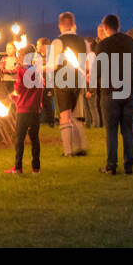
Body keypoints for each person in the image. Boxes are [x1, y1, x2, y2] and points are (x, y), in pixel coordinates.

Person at [95, 14, 133, 175]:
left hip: (110, 91)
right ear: (118, 26)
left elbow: (98, 69)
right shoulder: (130, 41)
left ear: (105, 28)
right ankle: (129, 165)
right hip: (128, 90)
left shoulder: (103, 44)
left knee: (111, 130)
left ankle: (111, 165)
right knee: (127, 128)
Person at [49, 12, 88, 157]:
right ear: (73, 24)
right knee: (71, 114)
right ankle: (81, 146)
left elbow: (52, 66)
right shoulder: (83, 42)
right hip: (77, 81)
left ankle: (68, 151)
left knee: (65, 115)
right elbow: (87, 63)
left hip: (62, 80)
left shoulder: (57, 42)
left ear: (60, 25)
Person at [6, 43, 45, 174]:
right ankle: (36, 168)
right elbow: (40, 90)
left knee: (20, 138)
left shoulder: (21, 71)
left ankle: (18, 167)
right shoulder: (38, 73)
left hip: (23, 110)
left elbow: (18, 89)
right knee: (35, 139)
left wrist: (13, 97)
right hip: (35, 110)